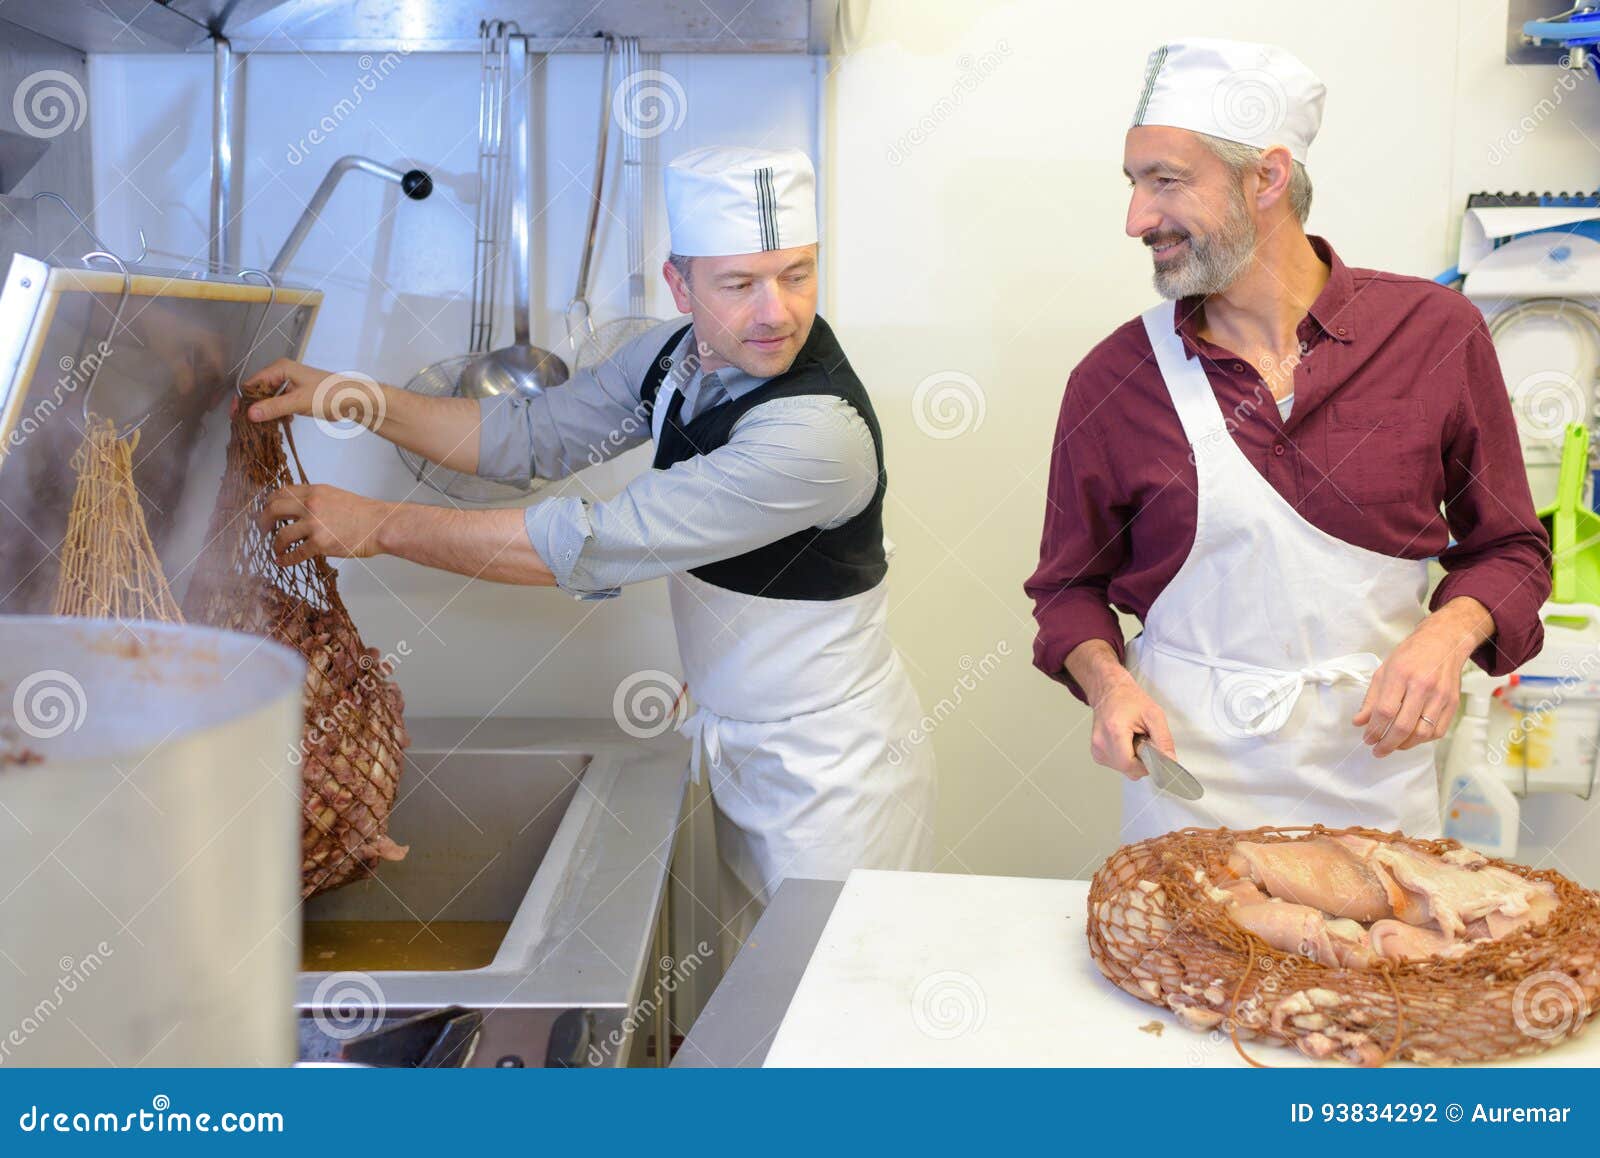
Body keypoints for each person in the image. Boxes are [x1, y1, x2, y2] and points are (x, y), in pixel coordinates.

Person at [245, 145, 936, 950]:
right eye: (739, 284)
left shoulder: (816, 434)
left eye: (796, 275)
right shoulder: (674, 360)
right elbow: (527, 436)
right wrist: (347, 396)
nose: (775, 313)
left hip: (834, 777)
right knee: (765, 1017)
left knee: (833, 1031)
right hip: (739, 744)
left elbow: (590, 542)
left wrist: (377, 525)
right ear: (682, 286)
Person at [1024, 40, 1550, 841]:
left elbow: (1513, 549)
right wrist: (1107, 684)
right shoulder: (1115, 380)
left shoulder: (1434, 335)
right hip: (1188, 789)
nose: (1137, 219)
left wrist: (1449, 633)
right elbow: (1068, 592)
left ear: (1265, 178)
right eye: (1134, 184)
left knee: (1372, 964)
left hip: (1377, 774)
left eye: (1165, 181)